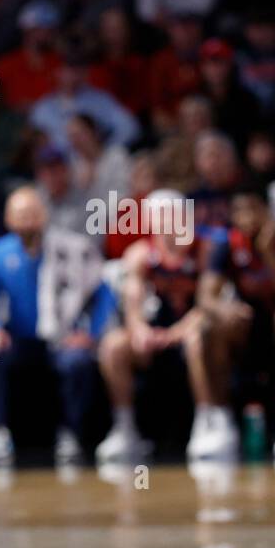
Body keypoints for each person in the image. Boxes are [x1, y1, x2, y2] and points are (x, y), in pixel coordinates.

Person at [0, 187, 115, 465]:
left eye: (32, 213)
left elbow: (104, 292)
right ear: (7, 218)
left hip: (60, 338)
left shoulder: (72, 248)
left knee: (77, 361)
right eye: (19, 214)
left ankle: (71, 433)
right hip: (16, 339)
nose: (26, 221)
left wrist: (91, 333)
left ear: (44, 215)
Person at [194, 187, 275, 461]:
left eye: (253, 209)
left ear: (267, 212)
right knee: (210, 327)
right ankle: (221, 421)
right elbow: (204, 297)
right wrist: (223, 308)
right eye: (239, 212)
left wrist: (269, 254)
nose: (247, 217)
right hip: (247, 335)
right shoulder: (227, 244)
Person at [95, 190, 211, 462]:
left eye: (171, 215)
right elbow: (132, 304)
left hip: (192, 330)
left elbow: (207, 306)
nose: (164, 222)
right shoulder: (139, 254)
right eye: (157, 216)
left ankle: (208, 422)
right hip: (157, 334)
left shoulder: (204, 249)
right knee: (114, 345)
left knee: (198, 339)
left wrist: (175, 333)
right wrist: (139, 329)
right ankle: (124, 427)